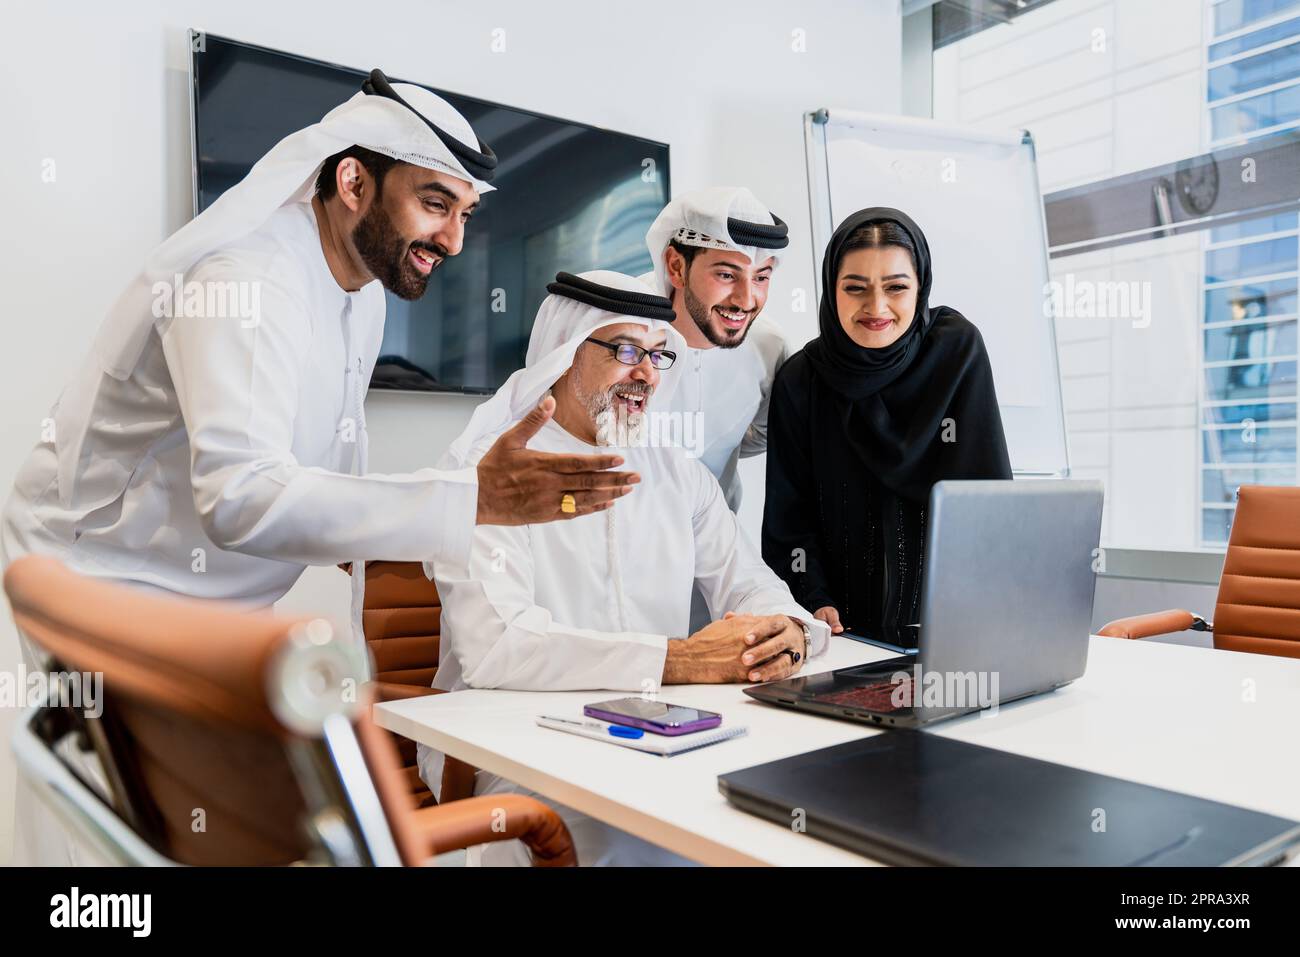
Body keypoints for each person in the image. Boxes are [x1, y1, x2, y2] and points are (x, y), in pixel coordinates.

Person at [1, 70, 635, 864]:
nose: (454, 240)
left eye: (466, 214)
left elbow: (324, 473)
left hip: (212, 602)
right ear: (352, 180)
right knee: (111, 833)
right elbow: (240, 497)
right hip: (107, 583)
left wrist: (455, 505)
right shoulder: (247, 283)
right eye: (435, 204)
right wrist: (465, 500)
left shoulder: (359, 289)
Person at [421, 270, 829, 865]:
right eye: (626, 350)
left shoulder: (676, 473)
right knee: (636, 845)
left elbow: (754, 587)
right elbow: (497, 649)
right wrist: (681, 659)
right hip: (518, 742)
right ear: (563, 352)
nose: (645, 373)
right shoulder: (491, 470)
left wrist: (789, 631)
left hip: (665, 732)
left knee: (786, 816)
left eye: (659, 354)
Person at [762, 208, 1012, 642]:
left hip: (952, 625)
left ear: (921, 287)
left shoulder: (956, 352)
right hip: (838, 633)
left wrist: (982, 609)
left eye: (896, 287)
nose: (876, 308)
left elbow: (986, 495)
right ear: (830, 290)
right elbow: (789, 518)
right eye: (855, 288)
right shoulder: (801, 380)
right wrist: (811, 596)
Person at [640, 187, 790, 512]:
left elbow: (761, 434)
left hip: (716, 544)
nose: (746, 300)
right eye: (726, 274)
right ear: (676, 267)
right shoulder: (621, 333)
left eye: (761, 277)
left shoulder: (769, 346)